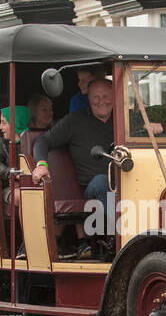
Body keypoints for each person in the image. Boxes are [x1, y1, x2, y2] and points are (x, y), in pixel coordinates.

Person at [32, 77, 116, 258]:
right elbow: (42, 141)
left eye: (106, 96)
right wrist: (42, 165)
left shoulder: (126, 120)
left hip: (132, 183)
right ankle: (119, 238)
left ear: (115, 96)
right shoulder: (75, 121)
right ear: (88, 99)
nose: (101, 101)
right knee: (102, 182)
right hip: (93, 188)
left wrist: (156, 127)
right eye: (96, 97)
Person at [0, 105, 29, 203]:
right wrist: (13, 174)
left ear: (15, 124)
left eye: (4, 123)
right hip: (7, 187)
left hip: (32, 185)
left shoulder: (31, 141)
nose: (0, 127)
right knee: (24, 196)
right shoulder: (0, 142)